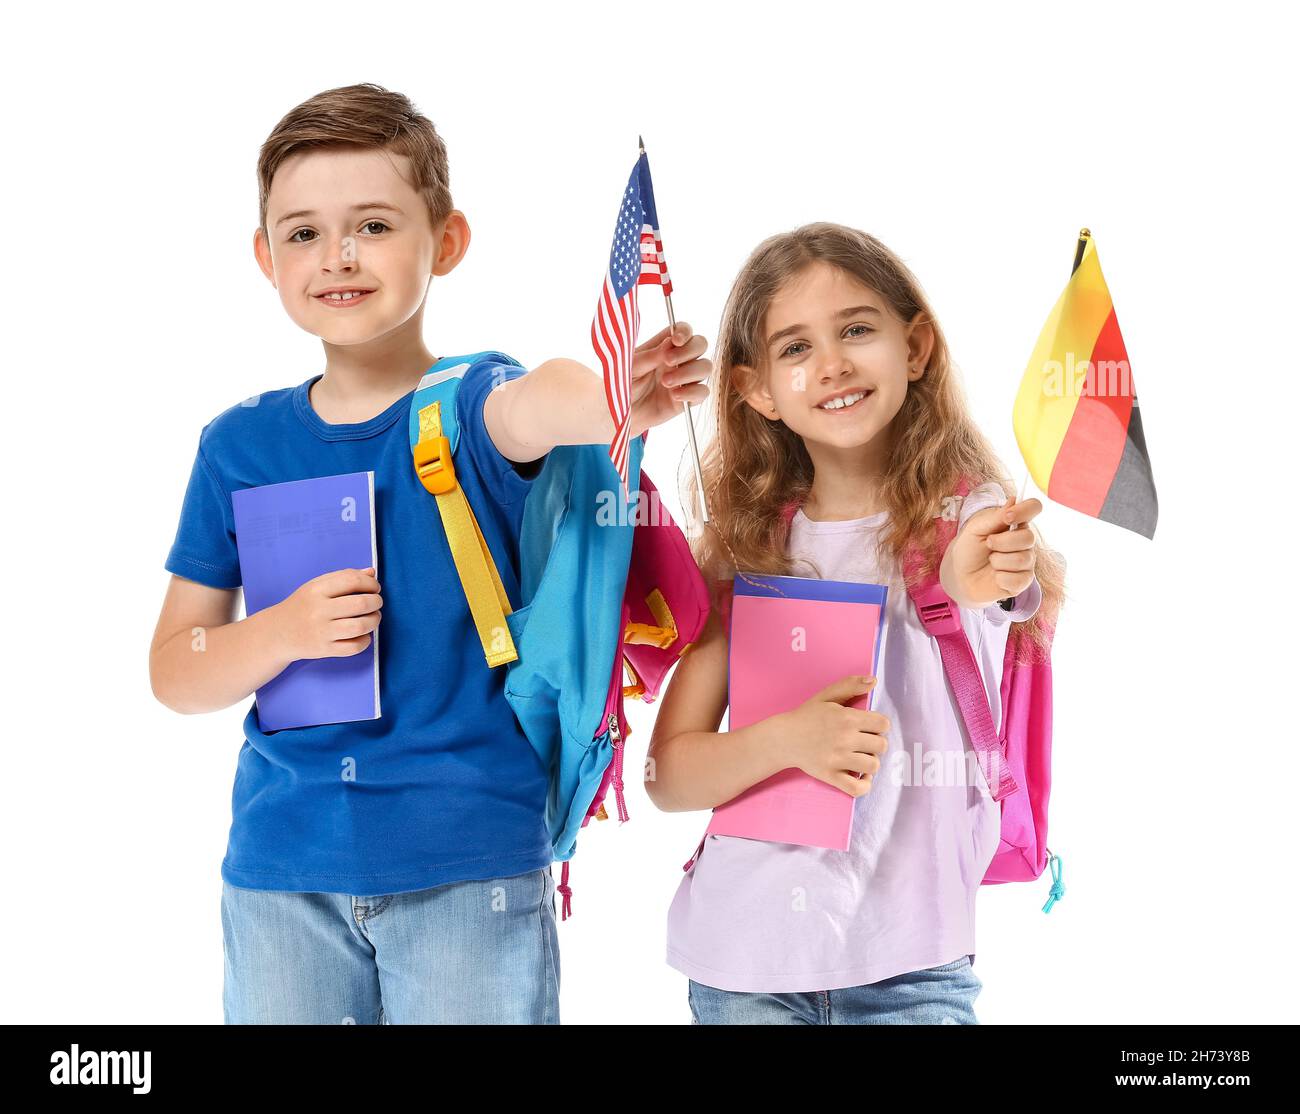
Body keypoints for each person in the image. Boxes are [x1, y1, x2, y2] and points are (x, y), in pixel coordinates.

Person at [147, 83, 709, 1024]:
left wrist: (616, 396)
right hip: (282, 871)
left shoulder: (470, 401)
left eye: (373, 224)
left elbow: (540, 400)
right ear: (264, 257)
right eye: (302, 233)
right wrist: (280, 632)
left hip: (471, 865)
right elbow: (176, 670)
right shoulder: (235, 445)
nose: (337, 257)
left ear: (446, 241)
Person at [646, 222, 1064, 1025]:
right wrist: (787, 742)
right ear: (756, 388)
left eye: (857, 330)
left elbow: (980, 580)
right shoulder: (743, 550)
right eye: (795, 348)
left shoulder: (964, 519)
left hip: (916, 964)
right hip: (745, 963)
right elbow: (669, 775)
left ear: (915, 347)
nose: (832, 363)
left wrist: (990, 573)